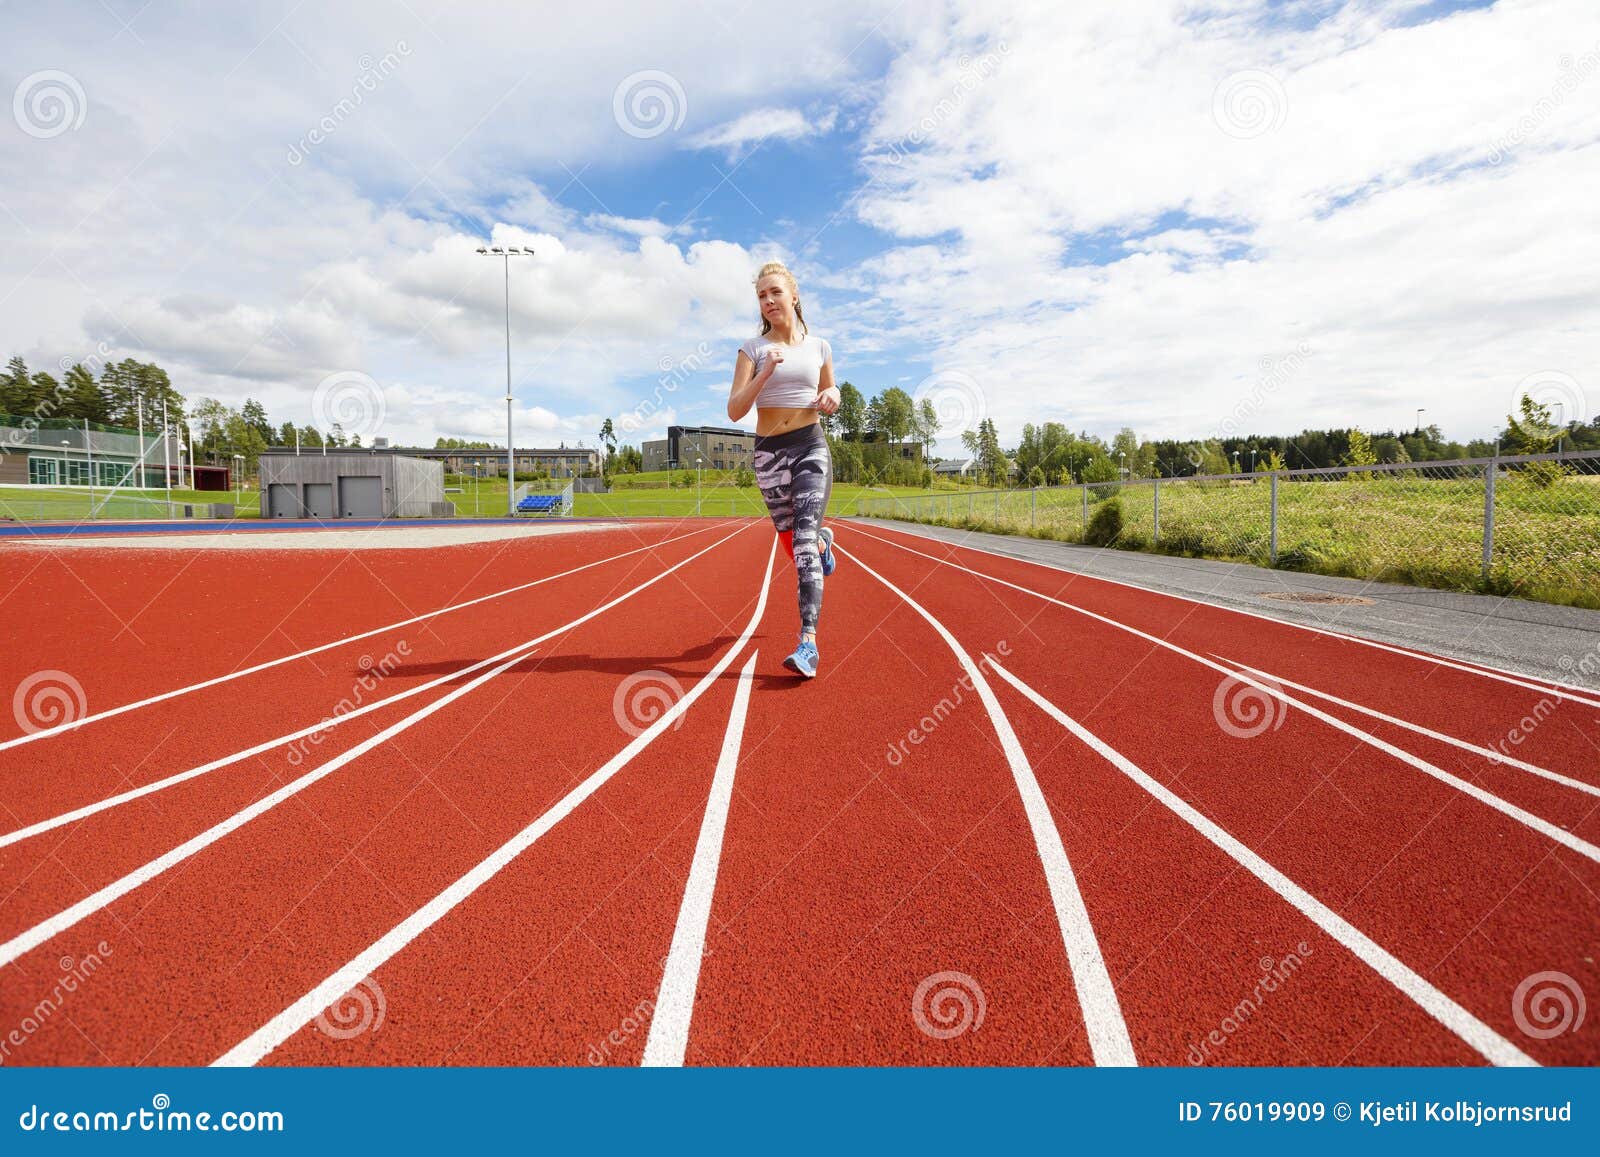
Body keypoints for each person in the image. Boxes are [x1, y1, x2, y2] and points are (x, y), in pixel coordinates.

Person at [727, 261, 841, 678]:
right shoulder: (751, 349)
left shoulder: (820, 346)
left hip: (809, 444)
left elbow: (831, 388)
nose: (768, 301)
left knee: (804, 543)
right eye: (761, 296)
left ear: (794, 295)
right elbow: (736, 410)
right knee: (793, 545)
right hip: (768, 453)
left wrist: (833, 394)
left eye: (774, 292)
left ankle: (807, 642)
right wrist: (765, 372)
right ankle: (824, 545)